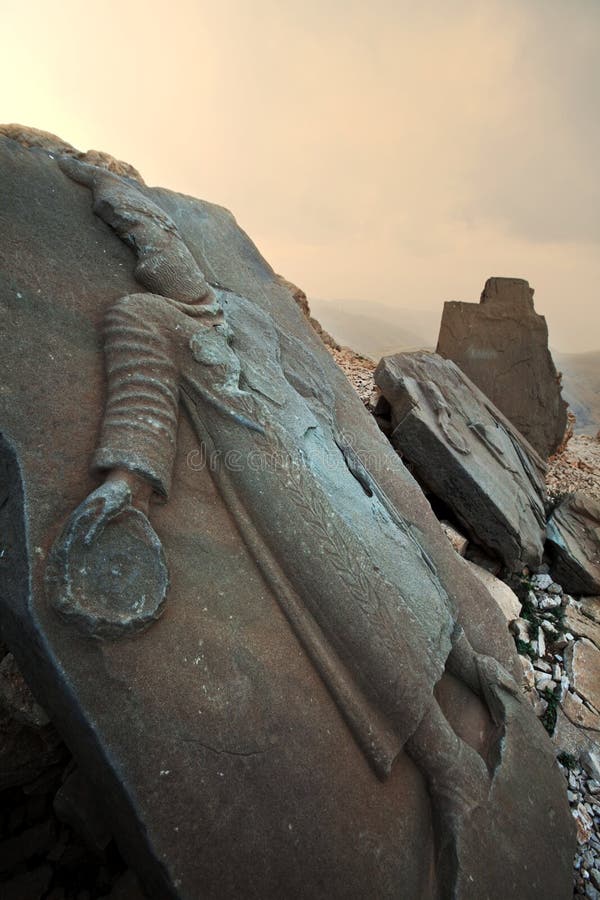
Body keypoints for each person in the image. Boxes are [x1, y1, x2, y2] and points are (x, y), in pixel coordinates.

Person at [52, 156, 519, 835]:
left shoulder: (243, 309)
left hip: (320, 453)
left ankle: (470, 665)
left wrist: (349, 448)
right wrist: (127, 484)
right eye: (132, 237)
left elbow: (315, 387)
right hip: (271, 485)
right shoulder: (145, 317)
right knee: (352, 609)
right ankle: (446, 762)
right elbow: (142, 399)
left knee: (401, 564)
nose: (151, 252)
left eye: (155, 232)